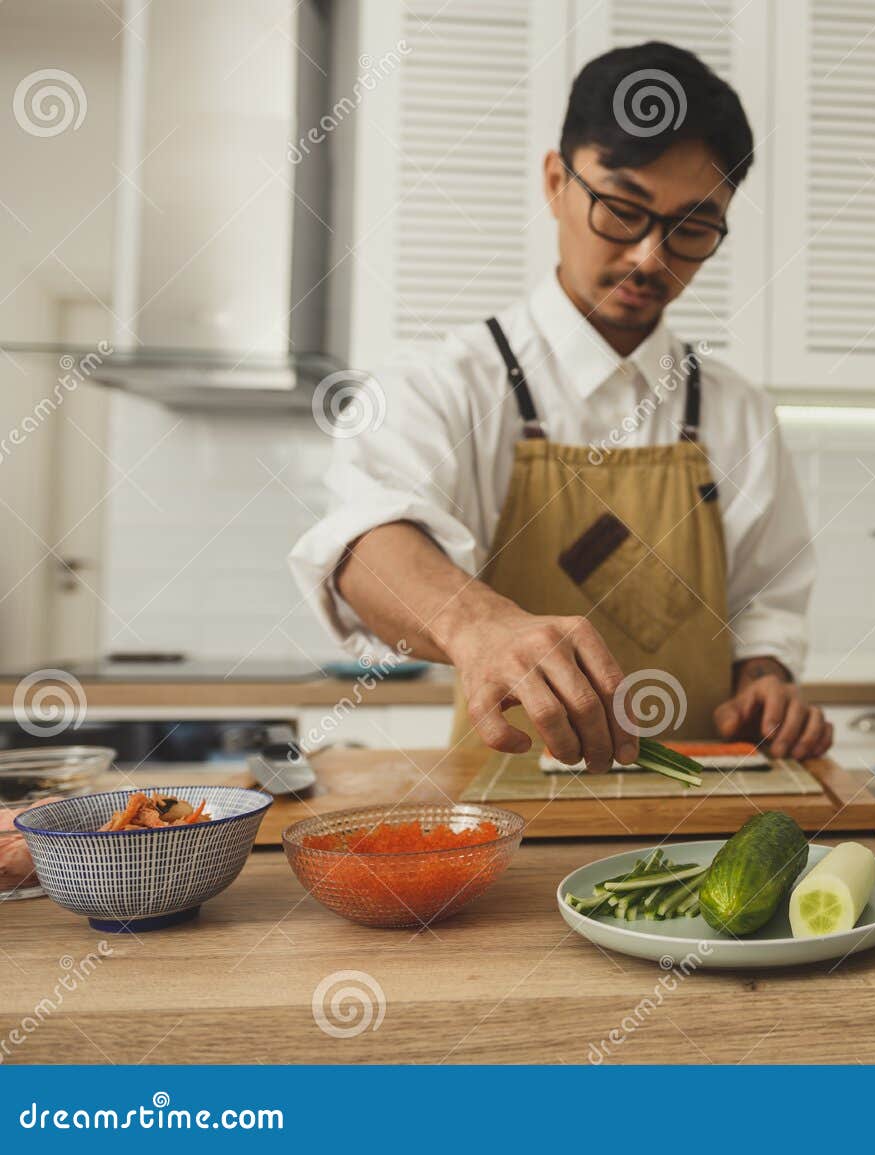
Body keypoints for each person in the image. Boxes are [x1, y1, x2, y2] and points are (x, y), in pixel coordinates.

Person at [290, 42, 831, 772]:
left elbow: (766, 599)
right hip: (500, 808)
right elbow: (366, 541)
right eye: (623, 210)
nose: (649, 257)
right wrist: (478, 623)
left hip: (700, 804)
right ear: (556, 181)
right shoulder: (442, 382)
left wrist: (766, 678)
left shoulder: (739, 413)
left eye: (692, 229)